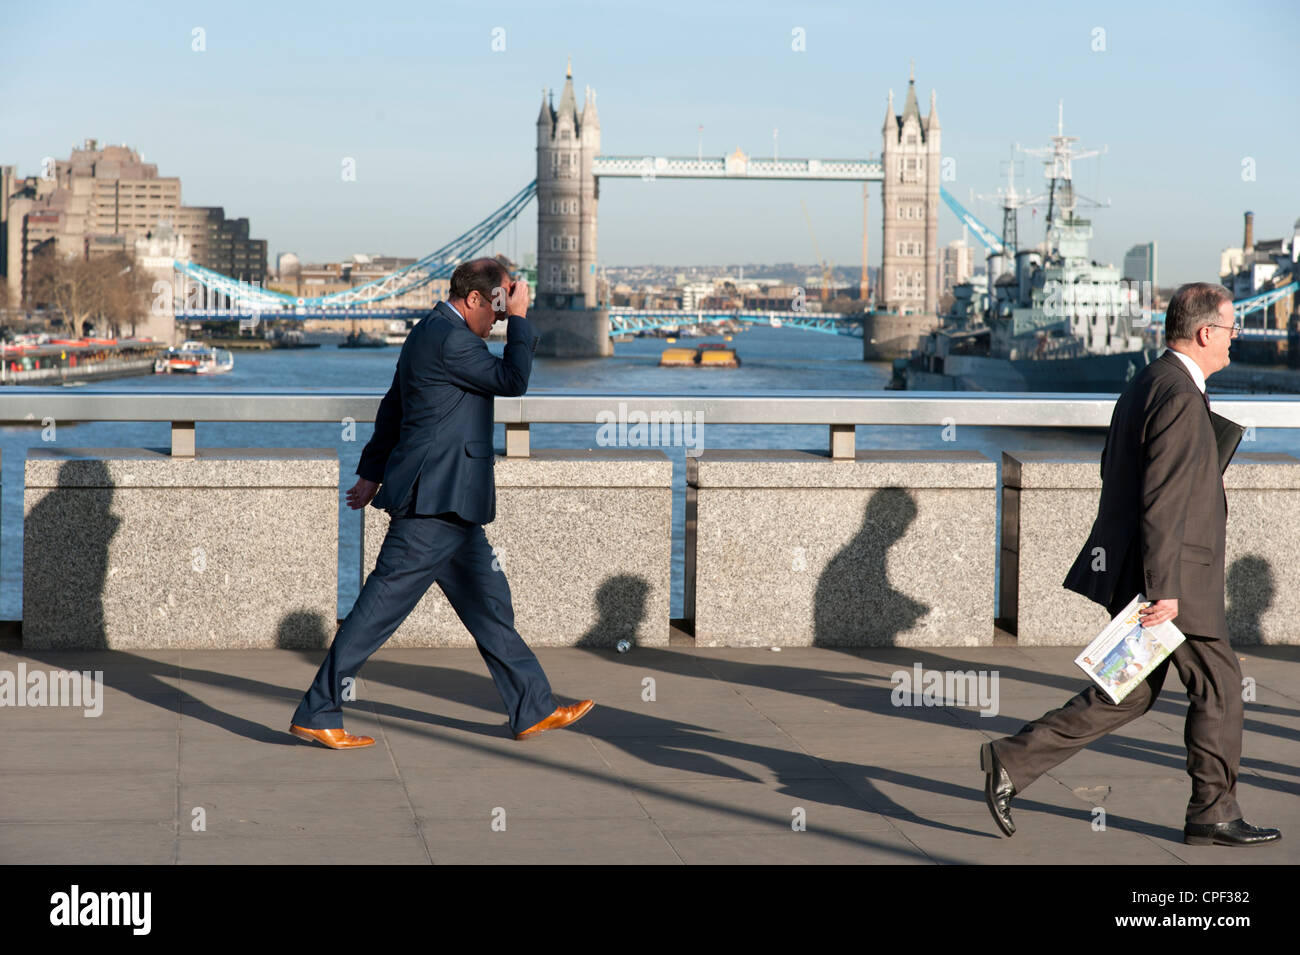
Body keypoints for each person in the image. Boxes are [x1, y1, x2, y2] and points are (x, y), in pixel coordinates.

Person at [980, 282, 1280, 847]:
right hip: (1175, 582)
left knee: (1130, 692)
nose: (1237, 337)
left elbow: (1118, 472)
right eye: (1232, 326)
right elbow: (1162, 498)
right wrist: (1163, 589)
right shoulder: (1177, 394)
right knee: (1219, 683)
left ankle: (1011, 760)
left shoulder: (1149, 381)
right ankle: (1212, 812)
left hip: (1156, 572)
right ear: (1205, 332)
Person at [289, 258, 593, 748]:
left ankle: (531, 706)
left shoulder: (428, 330)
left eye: (504, 308)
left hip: (453, 500)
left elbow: (394, 406)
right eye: (496, 304)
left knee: (490, 604)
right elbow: (513, 381)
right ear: (474, 299)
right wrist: (520, 319)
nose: (497, 316)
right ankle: (318, 709)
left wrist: (371, 472)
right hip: (435, 500)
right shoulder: (452, 339)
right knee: (377, 611)